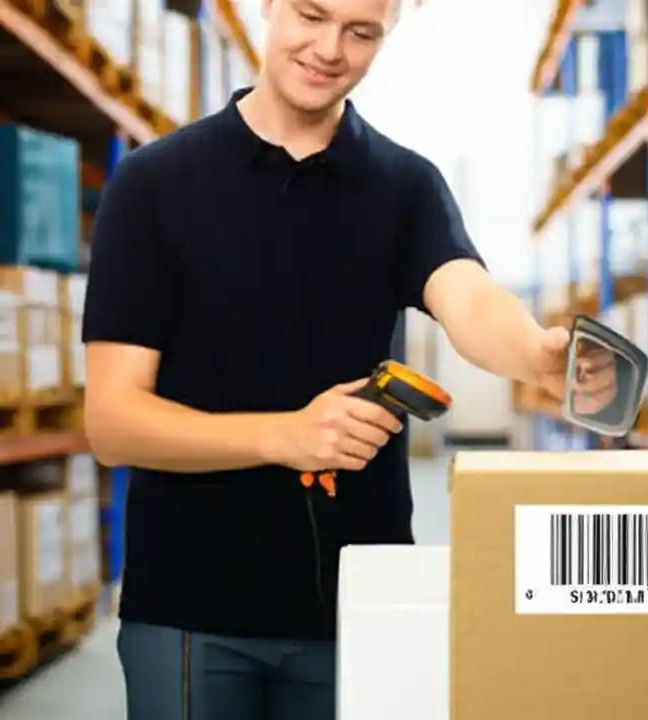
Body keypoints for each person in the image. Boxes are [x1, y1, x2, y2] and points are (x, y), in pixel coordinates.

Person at [80, 0, 581, 717]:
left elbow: (468, 298)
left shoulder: (404, 186)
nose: (329, 49)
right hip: (191, 605)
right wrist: (284, 435)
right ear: (268, 7)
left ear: (388, 33)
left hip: (361, 599)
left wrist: (537, 352)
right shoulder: (155, 184)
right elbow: (113, 420)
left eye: (361, 32)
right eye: (311, 16)